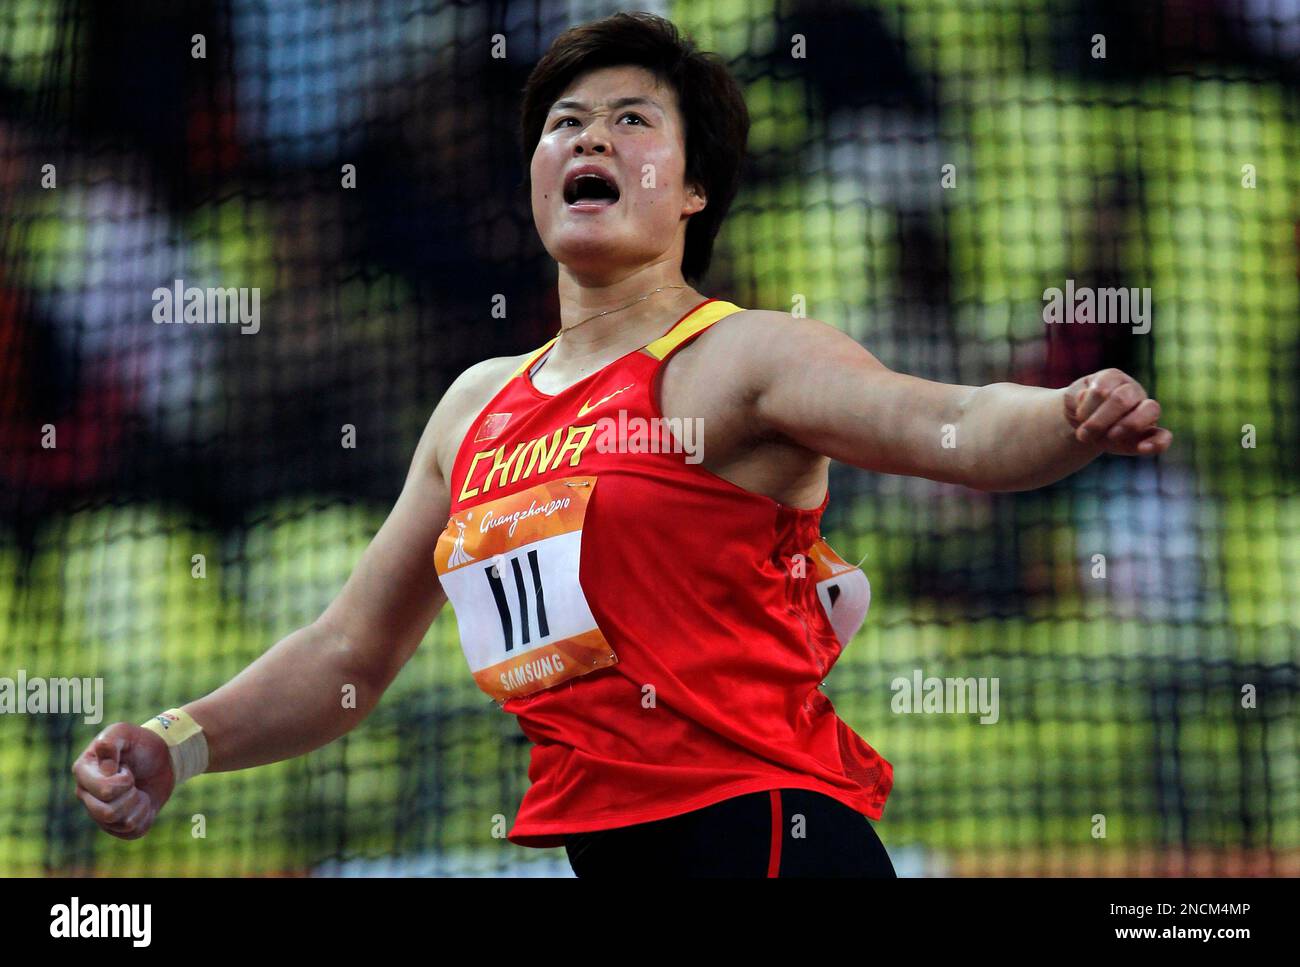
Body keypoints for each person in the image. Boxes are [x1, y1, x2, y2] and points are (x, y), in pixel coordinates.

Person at [71, 12, 1171, 877]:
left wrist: (1065, 411)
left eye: (634, 120)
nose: (591, 136)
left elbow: (949, 424)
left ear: (695, 190)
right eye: (565, 123)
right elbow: (348, 658)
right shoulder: (475, 409)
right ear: (539, 178)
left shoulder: (740, 358)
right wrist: (181, 741)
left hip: (776, 852)